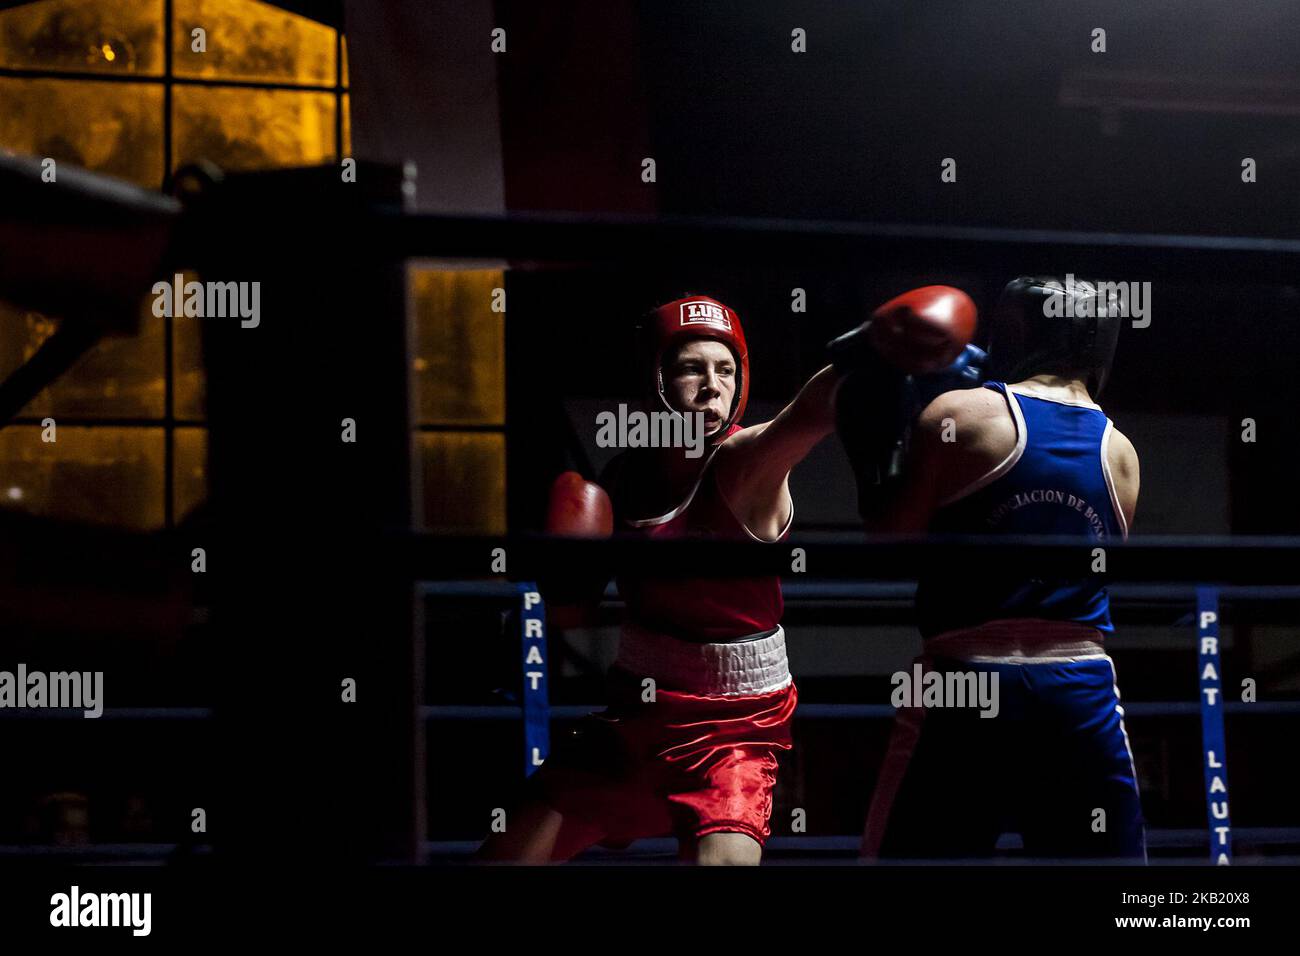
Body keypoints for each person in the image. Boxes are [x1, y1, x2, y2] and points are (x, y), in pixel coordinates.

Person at [478, 294, 841, 864]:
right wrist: (558, 583)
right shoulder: (625, 474)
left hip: (733, 727)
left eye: (725, 370)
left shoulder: (746, 462)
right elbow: (573, 612)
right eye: (692, 367)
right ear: (656, 380)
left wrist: (872, 352)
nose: (711, 385)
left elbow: (808, 416)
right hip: (636, 709)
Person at [836, 276, 1145, 860]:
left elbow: (889, 538)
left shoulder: (961, 414)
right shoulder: (1123, 452)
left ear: (1014, 329)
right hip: (1081, 689)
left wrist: (878, 438)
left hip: (967, 680)